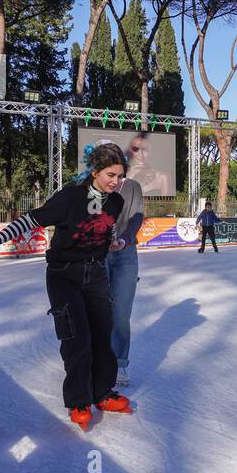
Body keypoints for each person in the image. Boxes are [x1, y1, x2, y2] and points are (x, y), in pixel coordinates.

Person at [0, 142, 133, 431]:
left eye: (120, 176)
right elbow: (30, 220)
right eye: (111, 175)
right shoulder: (69, 197)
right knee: (76, 338)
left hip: (96, 274)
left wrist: (116, 242)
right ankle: (79, 400)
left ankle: (103, 393)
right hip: (64, 275)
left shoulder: (116, 201)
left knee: (101, 336)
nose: (116, 182)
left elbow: (107, 232)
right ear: (95, 171)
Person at [104, 145, 145, 388]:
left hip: (125, 253)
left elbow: (137, 216)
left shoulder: (132, 187)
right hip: (97, 253)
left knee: (120, 311)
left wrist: (124, 239)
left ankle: (118, 364)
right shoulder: (94, 188)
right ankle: (95, 359)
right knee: (97, 309)